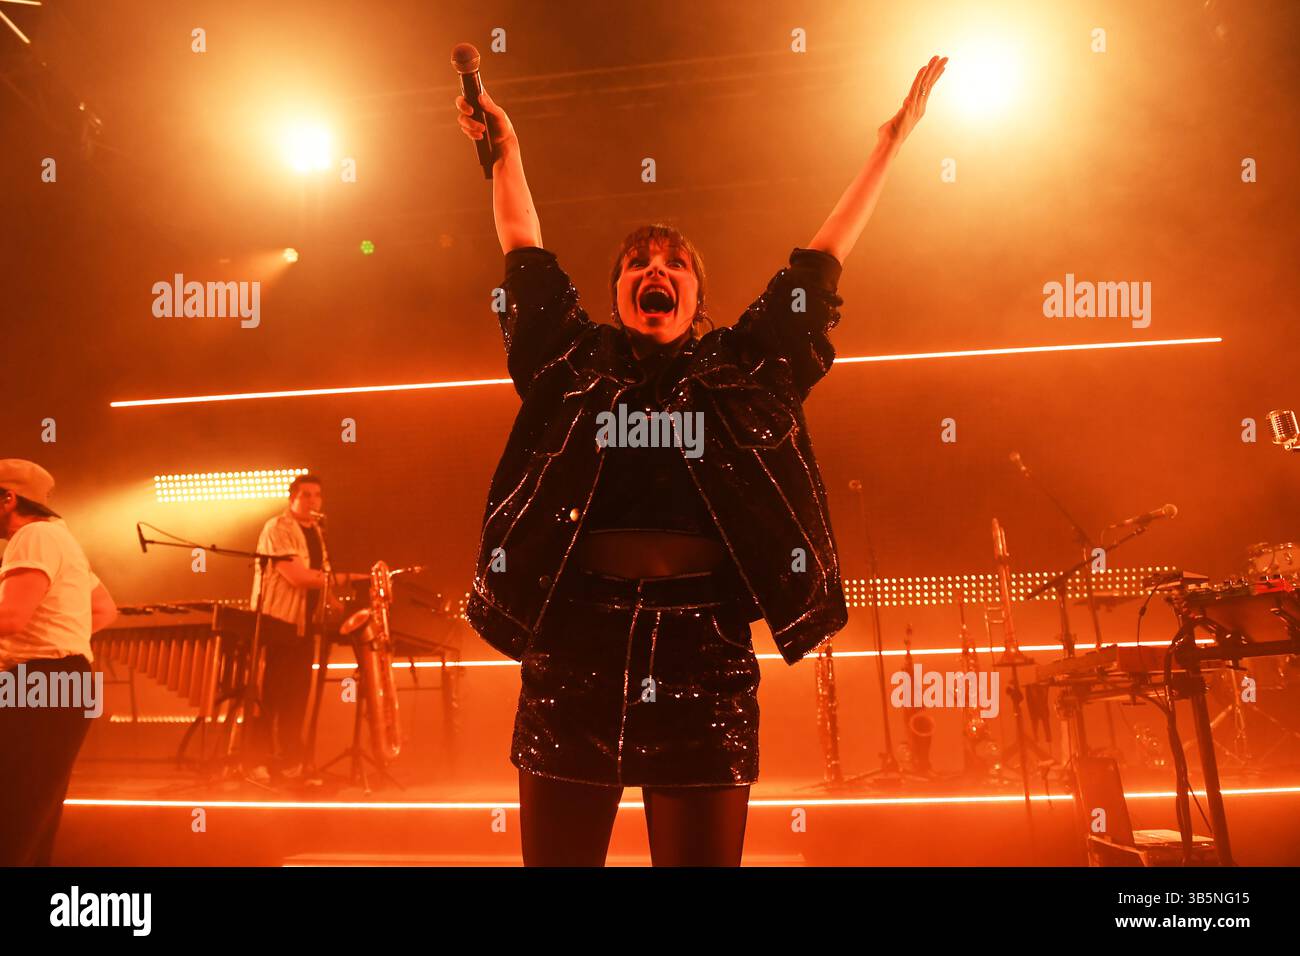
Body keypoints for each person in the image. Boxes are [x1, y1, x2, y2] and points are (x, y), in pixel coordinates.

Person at [457, 56, 947, 866]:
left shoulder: (747, 368)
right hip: (575, 645)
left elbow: (818, 266)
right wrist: (504, 150)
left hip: (703, 652)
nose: (656, 272)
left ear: (696, 298)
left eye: (674, 265)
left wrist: (890, 145)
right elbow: (524, 250)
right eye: (639, 265)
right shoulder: (569, 362)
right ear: (617, 291)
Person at [0, 459, 118, 865]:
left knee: (13, 813)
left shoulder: (31, 536)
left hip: (39, 681)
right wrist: (60, 640)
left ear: (9, 498)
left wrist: (48, 650)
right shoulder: (60, 538)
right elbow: (103, 609)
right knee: (34, 812)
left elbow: (10, 618)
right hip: (62, 681)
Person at [248, 473, 362, 784]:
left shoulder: (317, 532)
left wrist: (336, 602)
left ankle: (290, 764)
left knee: (296, 697)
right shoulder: (277, 528)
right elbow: (297, 577)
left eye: (317, 496)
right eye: (306, 495)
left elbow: (320, 575)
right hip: (278, 621)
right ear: (292, 498)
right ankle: (254, 761)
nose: (313, 501)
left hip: (304, 626)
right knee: (270, 695)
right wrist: (351, 577)